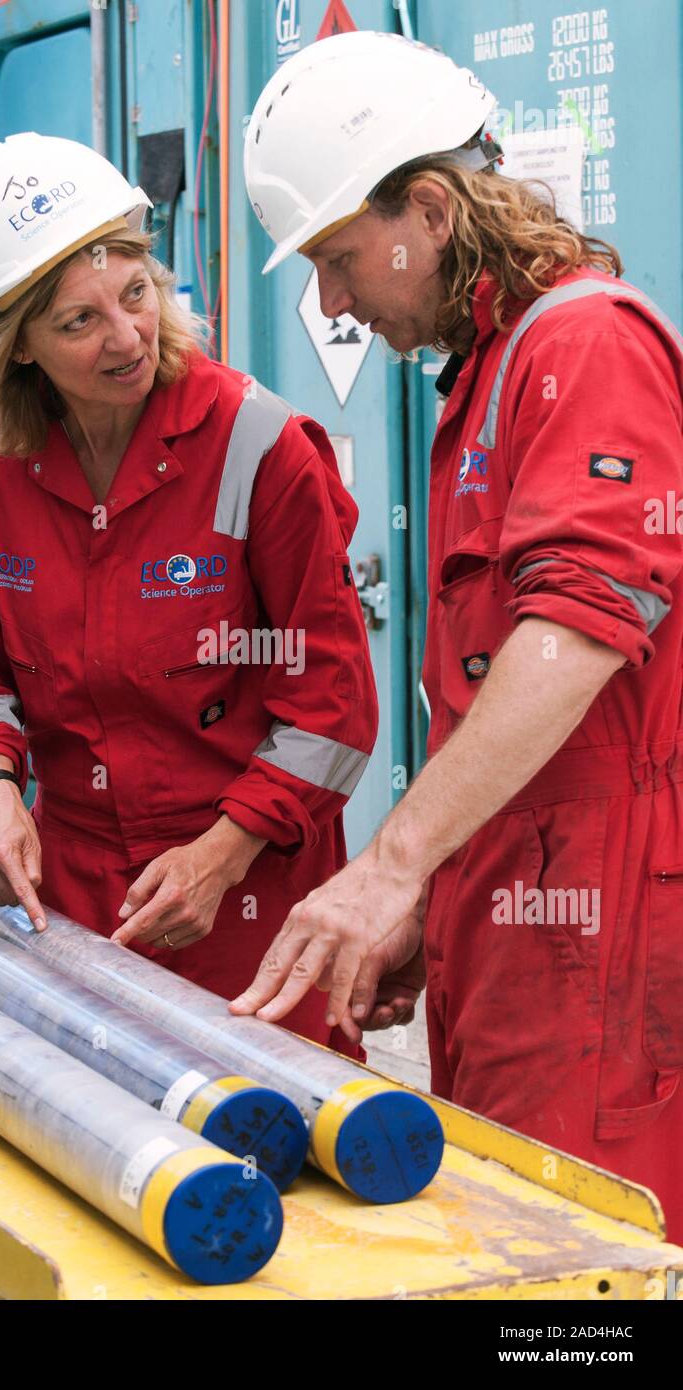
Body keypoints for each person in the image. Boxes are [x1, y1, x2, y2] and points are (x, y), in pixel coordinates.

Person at [236, 30, 683, 1239]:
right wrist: (436, 900)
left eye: (336, 259)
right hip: (520, 936)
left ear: (429, 210)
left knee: (583, 1265)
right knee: (505, 1245)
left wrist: (387, 865)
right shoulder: (487, 376)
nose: (328, 300)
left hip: (604, 941)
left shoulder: (583, 344)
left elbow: (580, 632)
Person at [0, 131, 377, 1054]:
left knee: (283, 1138)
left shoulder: (258, 444)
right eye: (78, 323)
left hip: (249, 885)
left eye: (136, 296)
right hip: (69, 882)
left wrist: (224, 853)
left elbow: (331, 705)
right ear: (19, 347)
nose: (127, 339)